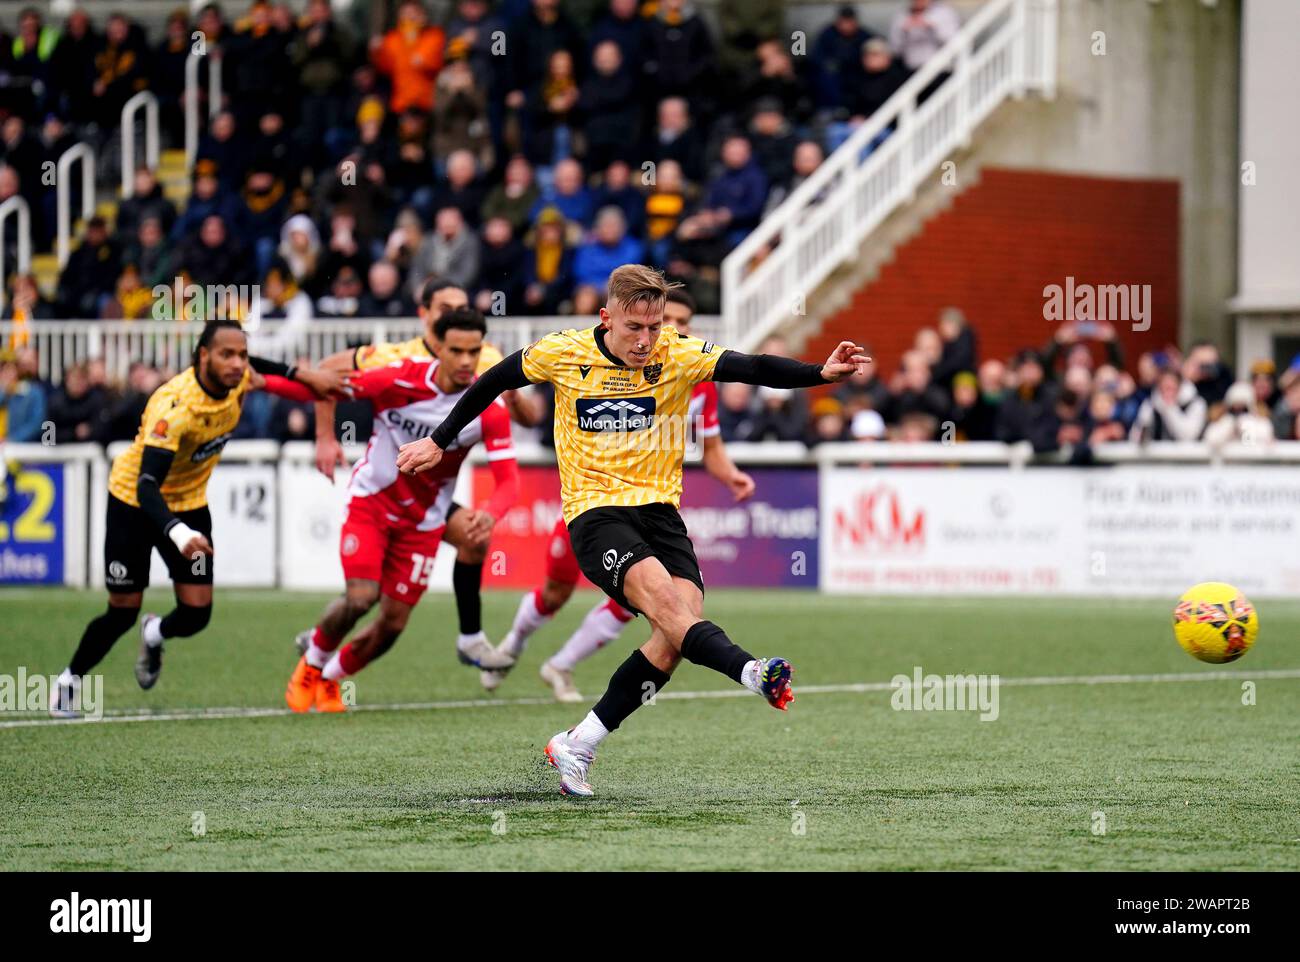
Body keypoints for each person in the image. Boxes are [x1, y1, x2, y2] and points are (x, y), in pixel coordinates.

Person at [396, 264, 870, 796]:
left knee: (676, 632)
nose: (647, 341)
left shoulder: (678, 351)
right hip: (596, 514)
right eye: (634, 329)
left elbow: (752, 365)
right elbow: (494, 381)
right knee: (671, 610)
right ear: (607, 318)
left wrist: (819, 374)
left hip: (661, 515)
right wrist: (441, 438)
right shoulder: (564, 351)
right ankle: (752, 672)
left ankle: (578, 744)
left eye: (656, 326)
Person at [49, 321, 346, 717]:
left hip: (189, 503)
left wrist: (300, 373)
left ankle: (154, 633)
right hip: (134, 505)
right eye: (228, 355)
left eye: (242, 355)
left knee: (196, 613)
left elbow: (265, 368)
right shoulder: (173, 408)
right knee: (122, 609)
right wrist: (177, 532)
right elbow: (147, 485)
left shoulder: (238, 378)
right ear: (203, 356)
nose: (239, 363)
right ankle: (70, 680)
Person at [487, 288, 756, 702]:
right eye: (669, 324)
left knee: (653, 600)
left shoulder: (695, 376)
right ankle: (515, 642)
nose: (672, 332)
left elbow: (712, 448)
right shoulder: (599, 359)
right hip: (594, 501)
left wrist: (732, 476)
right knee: (556, 591)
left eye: (679, 324)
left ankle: (562, 664)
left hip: (649, 505)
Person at [285, 308, 520, 711]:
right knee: (361, 598)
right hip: (372, 504)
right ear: (438, 349)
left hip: (425, 522)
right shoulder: (398, 378)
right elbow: (329, 385)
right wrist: (281, 386)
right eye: (457, 351)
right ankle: (312, 662)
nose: (466, 361)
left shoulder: (489, 409)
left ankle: (331, 677)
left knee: (392, 624)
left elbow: (509, 481)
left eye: (474, 352)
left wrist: (491, 513)